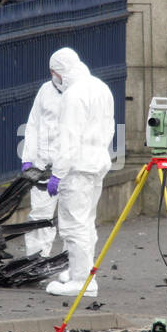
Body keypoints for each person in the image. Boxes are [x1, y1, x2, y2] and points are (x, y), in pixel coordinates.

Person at [44, 47, 114, 298]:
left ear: (59, 72)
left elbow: (68, 140)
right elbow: (109, 129)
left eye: (54, 74)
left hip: (77, 168)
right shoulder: (100, 87)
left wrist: (57, 174)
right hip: (97, 163)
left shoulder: (73, 96)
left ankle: (82, 281)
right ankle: (80, 272)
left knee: (74, 225)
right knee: (86, 222)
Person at [19, 56, 64, 258]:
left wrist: (62, 170)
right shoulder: (46, 90)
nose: (54, 75)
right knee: (39, 217)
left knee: (72, 221)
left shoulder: (79, 93)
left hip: (68, 167)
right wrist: (28, 159)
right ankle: (36, 260)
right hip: (43, 166)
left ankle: (73, 268)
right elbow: (33, 125)